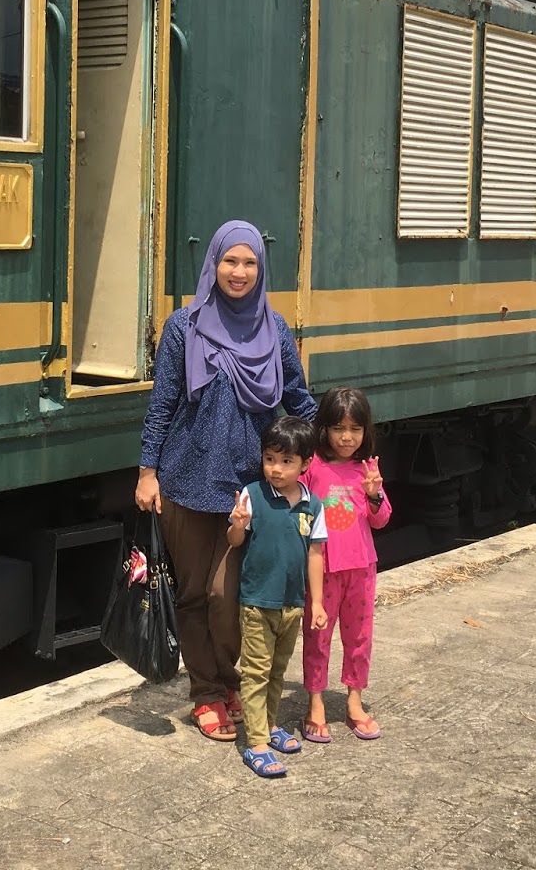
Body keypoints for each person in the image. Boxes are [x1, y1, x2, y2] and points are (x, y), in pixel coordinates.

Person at [137, 220, 317, 742]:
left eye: (250, 263)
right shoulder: (183, 326)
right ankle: (209, 693)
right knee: (196, 596)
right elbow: (162, 404)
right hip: (187, 481)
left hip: (251, 487)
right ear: (213, 263)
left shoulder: (277, 329)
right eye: (229, 261)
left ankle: (225, 678)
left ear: (261, 270)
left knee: (230, 596)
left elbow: (297, 400)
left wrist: (344, 444)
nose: (238, 272)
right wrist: (148, 472)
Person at [226, 415, 327, 778]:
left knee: (277, 670)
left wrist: (316, 603)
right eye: (270, 459)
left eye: (286, 461)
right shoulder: (251, 495)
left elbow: (316, 554)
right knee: (255, 672)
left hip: (292, 603)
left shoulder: (313, 506)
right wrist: (237, 525)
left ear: (305, 464)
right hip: (257, 601)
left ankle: (268, 726)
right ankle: (255, 744)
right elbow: (235, 542)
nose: (276, 468)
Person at [300, 386, 391, 742]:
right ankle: (316, 700)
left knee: (359, 637)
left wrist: (374, 494)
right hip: (322, 570)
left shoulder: (367, 470)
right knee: (317, 636)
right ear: (323, 429)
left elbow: (382, 518)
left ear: (366, 431)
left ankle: (355, 700)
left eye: (355, 429)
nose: (347, 437)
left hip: (361, 568)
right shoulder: (313, 469)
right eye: (338, 428)